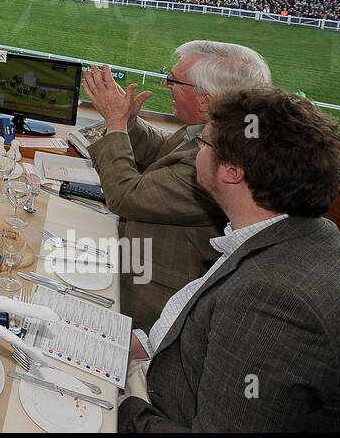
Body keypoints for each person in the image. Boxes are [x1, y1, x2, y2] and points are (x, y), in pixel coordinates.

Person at [120, 86, 340, 432]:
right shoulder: (301, 237)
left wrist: (124, 407)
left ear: (232, 172)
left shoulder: (273, 298)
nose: (197, 150)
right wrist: (137, 346)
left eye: (203, 143)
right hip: (157, 373)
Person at [81, 40, 270, 330]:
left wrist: (116, 122)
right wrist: (130, 122)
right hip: (132, 259)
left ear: (206, 99)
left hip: (146, 296)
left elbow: (125, 196)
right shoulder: (209, 134)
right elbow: (165, 154)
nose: (167, 84)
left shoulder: (221, 158)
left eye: (174, 80)